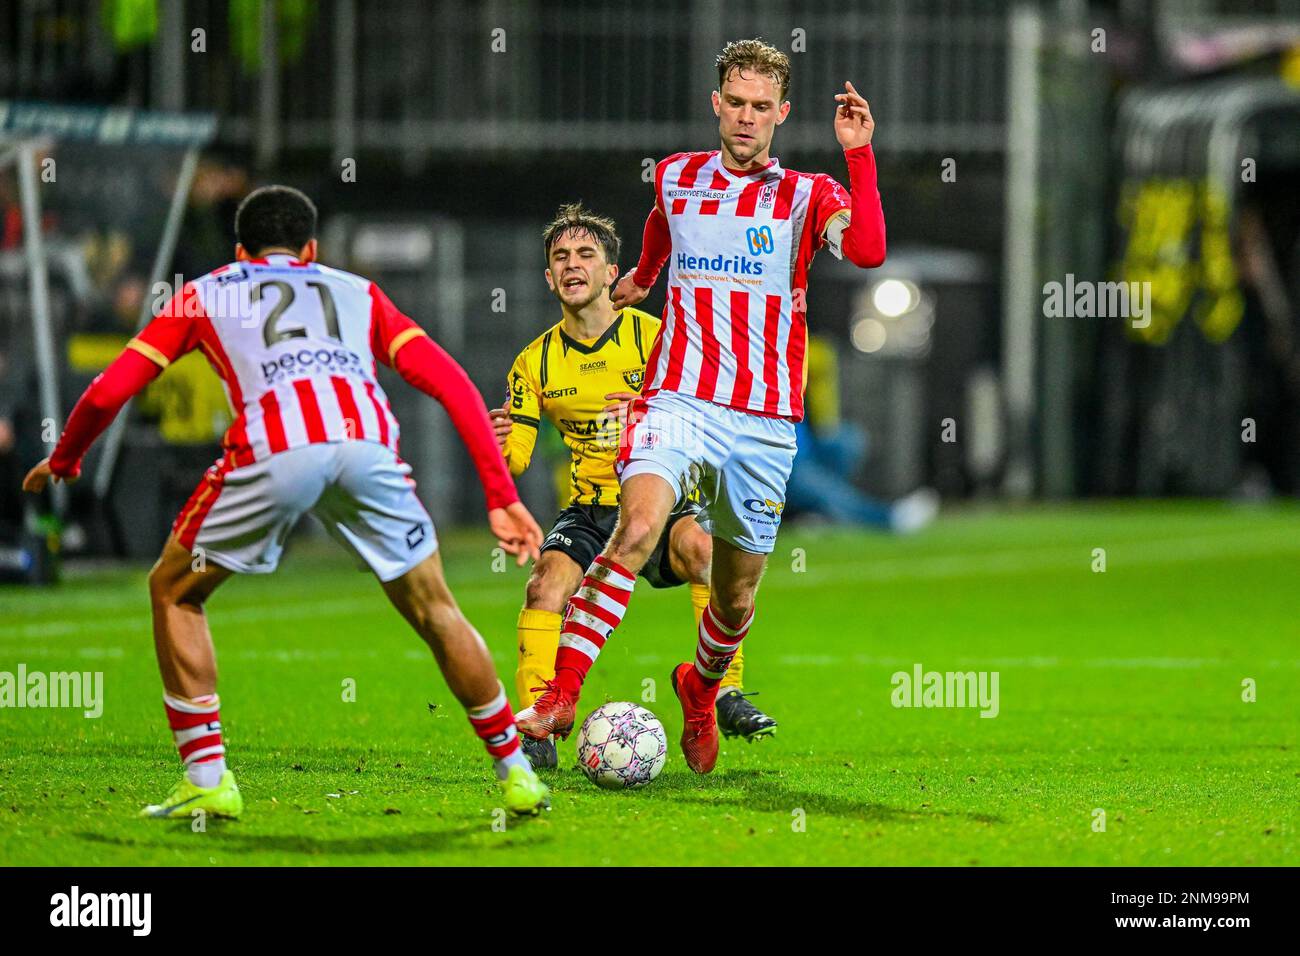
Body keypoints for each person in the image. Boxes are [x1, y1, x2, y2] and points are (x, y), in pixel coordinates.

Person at [22, 185, 550, 818]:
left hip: (276, 450)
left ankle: (209, 775)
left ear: (241, 248)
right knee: (436, 609)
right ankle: (517, 772)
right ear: (312, 248)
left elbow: (109, 392)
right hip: (368, 449)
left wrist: (67, 456)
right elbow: (454, 384)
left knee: (174, 590)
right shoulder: (357, 292)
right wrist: (500, 496)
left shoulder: (204, 292)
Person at [516, 38, 887, 773]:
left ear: (782, 112)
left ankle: (700, 685)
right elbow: (661, 222)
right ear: (717, 103)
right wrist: (646, 274)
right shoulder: (680, 176)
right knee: (638, 526)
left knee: (735, 598)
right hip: (681, 396)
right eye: (736, 104)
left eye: (761, 108)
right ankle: (561, 694)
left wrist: (860, 154)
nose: (747, 119)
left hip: (765, 420)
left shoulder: (807, 195)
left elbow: (871, 251)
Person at [490, 203, 778, 769]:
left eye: (585, 255)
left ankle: (720, 691)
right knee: (544, 584)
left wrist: (651, 410)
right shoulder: (534, 362)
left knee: (703, 551)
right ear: (550, 278)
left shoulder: (659, 339)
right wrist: (496, 439)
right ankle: (539, 728)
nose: (573, 265)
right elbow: (516, 458)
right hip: (593, 509)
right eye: (560, 258)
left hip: (663, 499)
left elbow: (707, 409)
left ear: (610, 272)